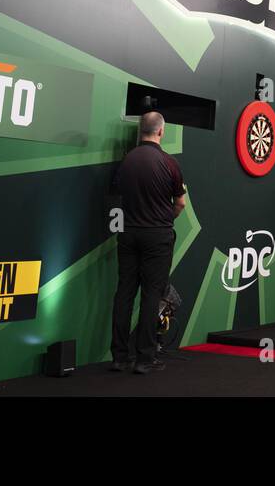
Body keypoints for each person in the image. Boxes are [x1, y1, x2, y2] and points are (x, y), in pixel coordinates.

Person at [109, 111, 186, 374]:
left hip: (128, 233)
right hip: (158, 236)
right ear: (161, 131)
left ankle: (119, 357)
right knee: (152, 295)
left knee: (124, 293)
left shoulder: (127, 161)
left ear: (141, 130)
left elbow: (118, 190)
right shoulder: (169, 163)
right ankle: (145, 358)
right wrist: (166, 218)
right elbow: (180, 203)